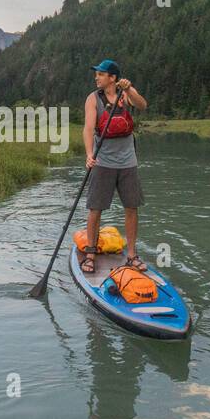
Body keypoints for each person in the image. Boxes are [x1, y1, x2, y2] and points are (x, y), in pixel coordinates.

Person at [81, 58, 148, 275]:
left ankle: (132, 255)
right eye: (97, 73)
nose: (96, 77)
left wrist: (130, 89)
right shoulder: (93, 98)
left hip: (128, 161)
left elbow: (142, 105)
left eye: (100, 74)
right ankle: (90, 254)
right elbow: (88, 128)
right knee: (95, 208)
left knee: (131, 207)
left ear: (112, 78)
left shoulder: (125, 92)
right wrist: (89, 154)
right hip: (103, 161)